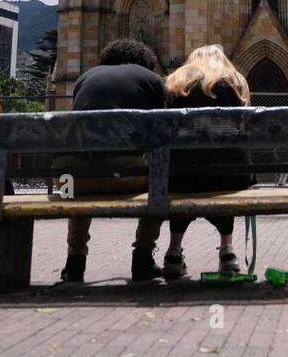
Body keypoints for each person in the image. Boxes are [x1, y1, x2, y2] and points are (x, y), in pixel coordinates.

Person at [57, 40, 167, 283]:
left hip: (67, 182)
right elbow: (161, 135)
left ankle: (74, 262)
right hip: (121, 177)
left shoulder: (84, 78)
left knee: (79, 183)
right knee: (161, 179)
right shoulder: (151, 80)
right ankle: (143, 256)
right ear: (146, 61)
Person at [160, 44, 256, 280]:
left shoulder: (175, 82)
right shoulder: (235, 82)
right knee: (223, 170)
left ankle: (173, 251)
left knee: (188, 171)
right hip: (230, 176)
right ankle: (227, 252)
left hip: (181, 176)